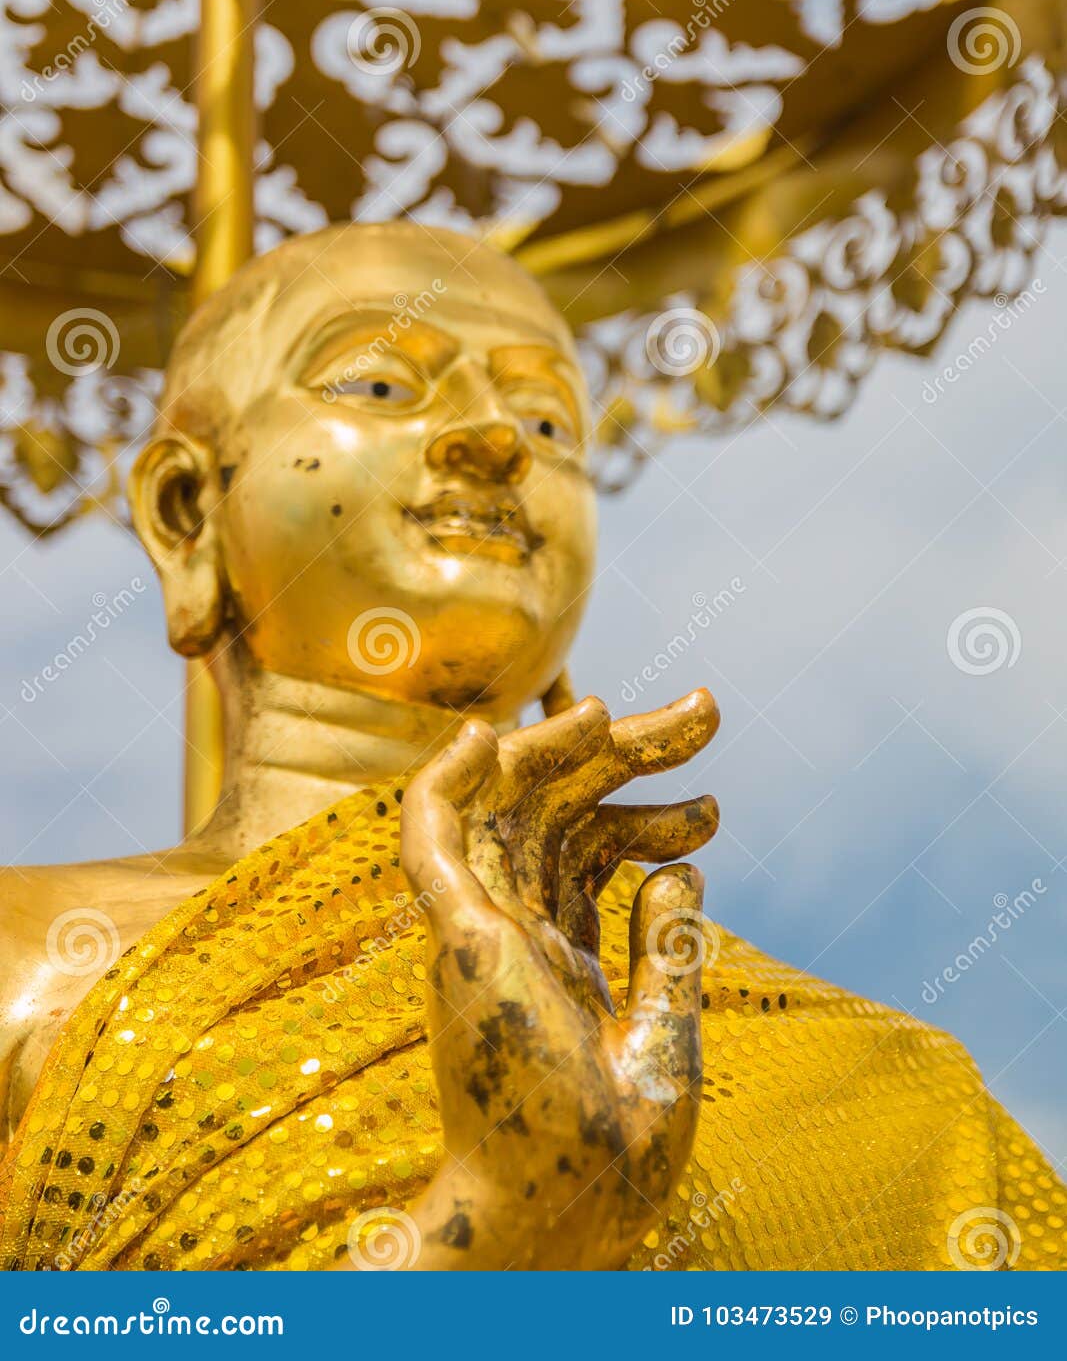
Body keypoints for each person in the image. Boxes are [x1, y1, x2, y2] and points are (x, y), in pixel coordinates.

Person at [1, 223, 1062, 1271]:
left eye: (549, 420)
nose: (495, 439)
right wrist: (500, 1221)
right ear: (187, 512)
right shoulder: (32, 955)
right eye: (379, 385)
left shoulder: (878, 1087)